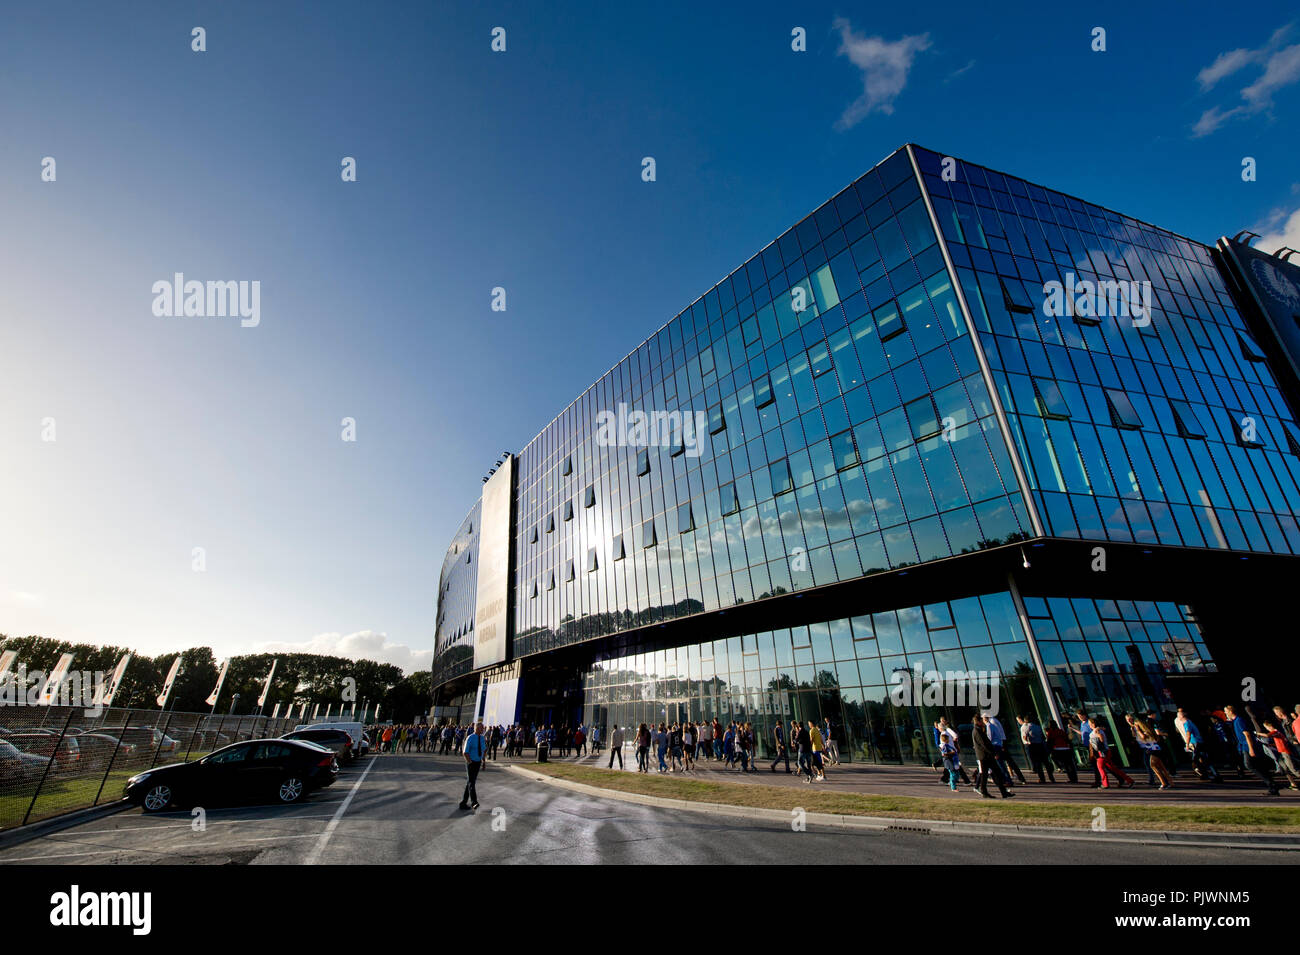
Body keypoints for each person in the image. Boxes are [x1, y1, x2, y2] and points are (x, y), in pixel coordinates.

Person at [1225, 704, 1279, 795]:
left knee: (1249, 764)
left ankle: (1271, 783)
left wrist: (1251, 748)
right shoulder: (1235, 721)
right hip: (1244, 746)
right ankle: (1272, 784)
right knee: (1256, 764)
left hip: (1247, 746)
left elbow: (1247, 734)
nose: (1225, 713)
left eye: (1226, 711)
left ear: (1230, 711)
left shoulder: (1239, 721)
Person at [971, 714, 1014, 799]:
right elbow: (984, 744)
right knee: (985, 774)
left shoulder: (978, 730)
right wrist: (993, 753)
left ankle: (1003, 792)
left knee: (995, 773)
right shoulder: (977, 731)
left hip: (986, 756)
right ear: (979, 722)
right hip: (985, 756)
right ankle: (985, 791)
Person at [1174, 707, 1219, 782]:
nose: (1178, 718)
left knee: (1197, 759)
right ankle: (1208, 774)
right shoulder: (1189, 722)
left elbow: (1188, 733)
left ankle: (1207, 773)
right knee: (1202, 758)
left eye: (1178, 716)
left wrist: (1187, 744)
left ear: (1181, 716)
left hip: (1195, 742)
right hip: (1198, 741)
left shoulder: (1186, 723)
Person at [1088, 716, 1134, 789]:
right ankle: (1129, 780)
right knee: (1112, 767)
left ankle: (1105, 784)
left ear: (1093, 724)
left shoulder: (1096, 731)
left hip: (1101, 752)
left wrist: (1097, 734)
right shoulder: (1097, 730)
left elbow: (1101, 739)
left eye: (1090, 724)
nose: (1089, 725)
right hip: (1105, 751)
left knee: (1101, 768)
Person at [1129, 715, 1172, 789]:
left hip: (1153, 749)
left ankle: (1164, 783)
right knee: (1160, 766)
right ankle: (1170, 782)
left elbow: (1143, 737)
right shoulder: (1148, 730)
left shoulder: (1145, 731)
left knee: (1153, 765)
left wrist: (1138, 730)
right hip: (1153, 748)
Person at [983, 711, 1025, 785]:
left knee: (1001, 763)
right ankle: (1018, 778)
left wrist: (1001, 744)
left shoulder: (991, 723)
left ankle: (1009, 779)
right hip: (1001, 742)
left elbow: (995, 734)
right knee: (1008, 761)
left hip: (999, 743)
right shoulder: (995, 720)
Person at [1016, 715, 1054, 783]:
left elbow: (1024, 737)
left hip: (1033, 745)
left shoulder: (1026, 727)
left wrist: (1027, 742)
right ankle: (1051, 777)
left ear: (1025, 721)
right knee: (1045, 762)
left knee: (1038, 763)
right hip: (1040, 745)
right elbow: (1043, 736)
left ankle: (1042, 778)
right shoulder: (1037, 726)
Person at [459, 721, 486, 811]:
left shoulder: (482, 738)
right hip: (471, 762)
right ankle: (474, 802)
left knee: (470, 782)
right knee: (471, 782)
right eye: (482, 728)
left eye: (483, 728)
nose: (483, 729)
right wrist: (469, 762)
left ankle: (463, 803)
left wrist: (483, 761)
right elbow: (465, 752)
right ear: (477, 728)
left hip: (478, 762)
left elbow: (483, 750)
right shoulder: (470, 738)